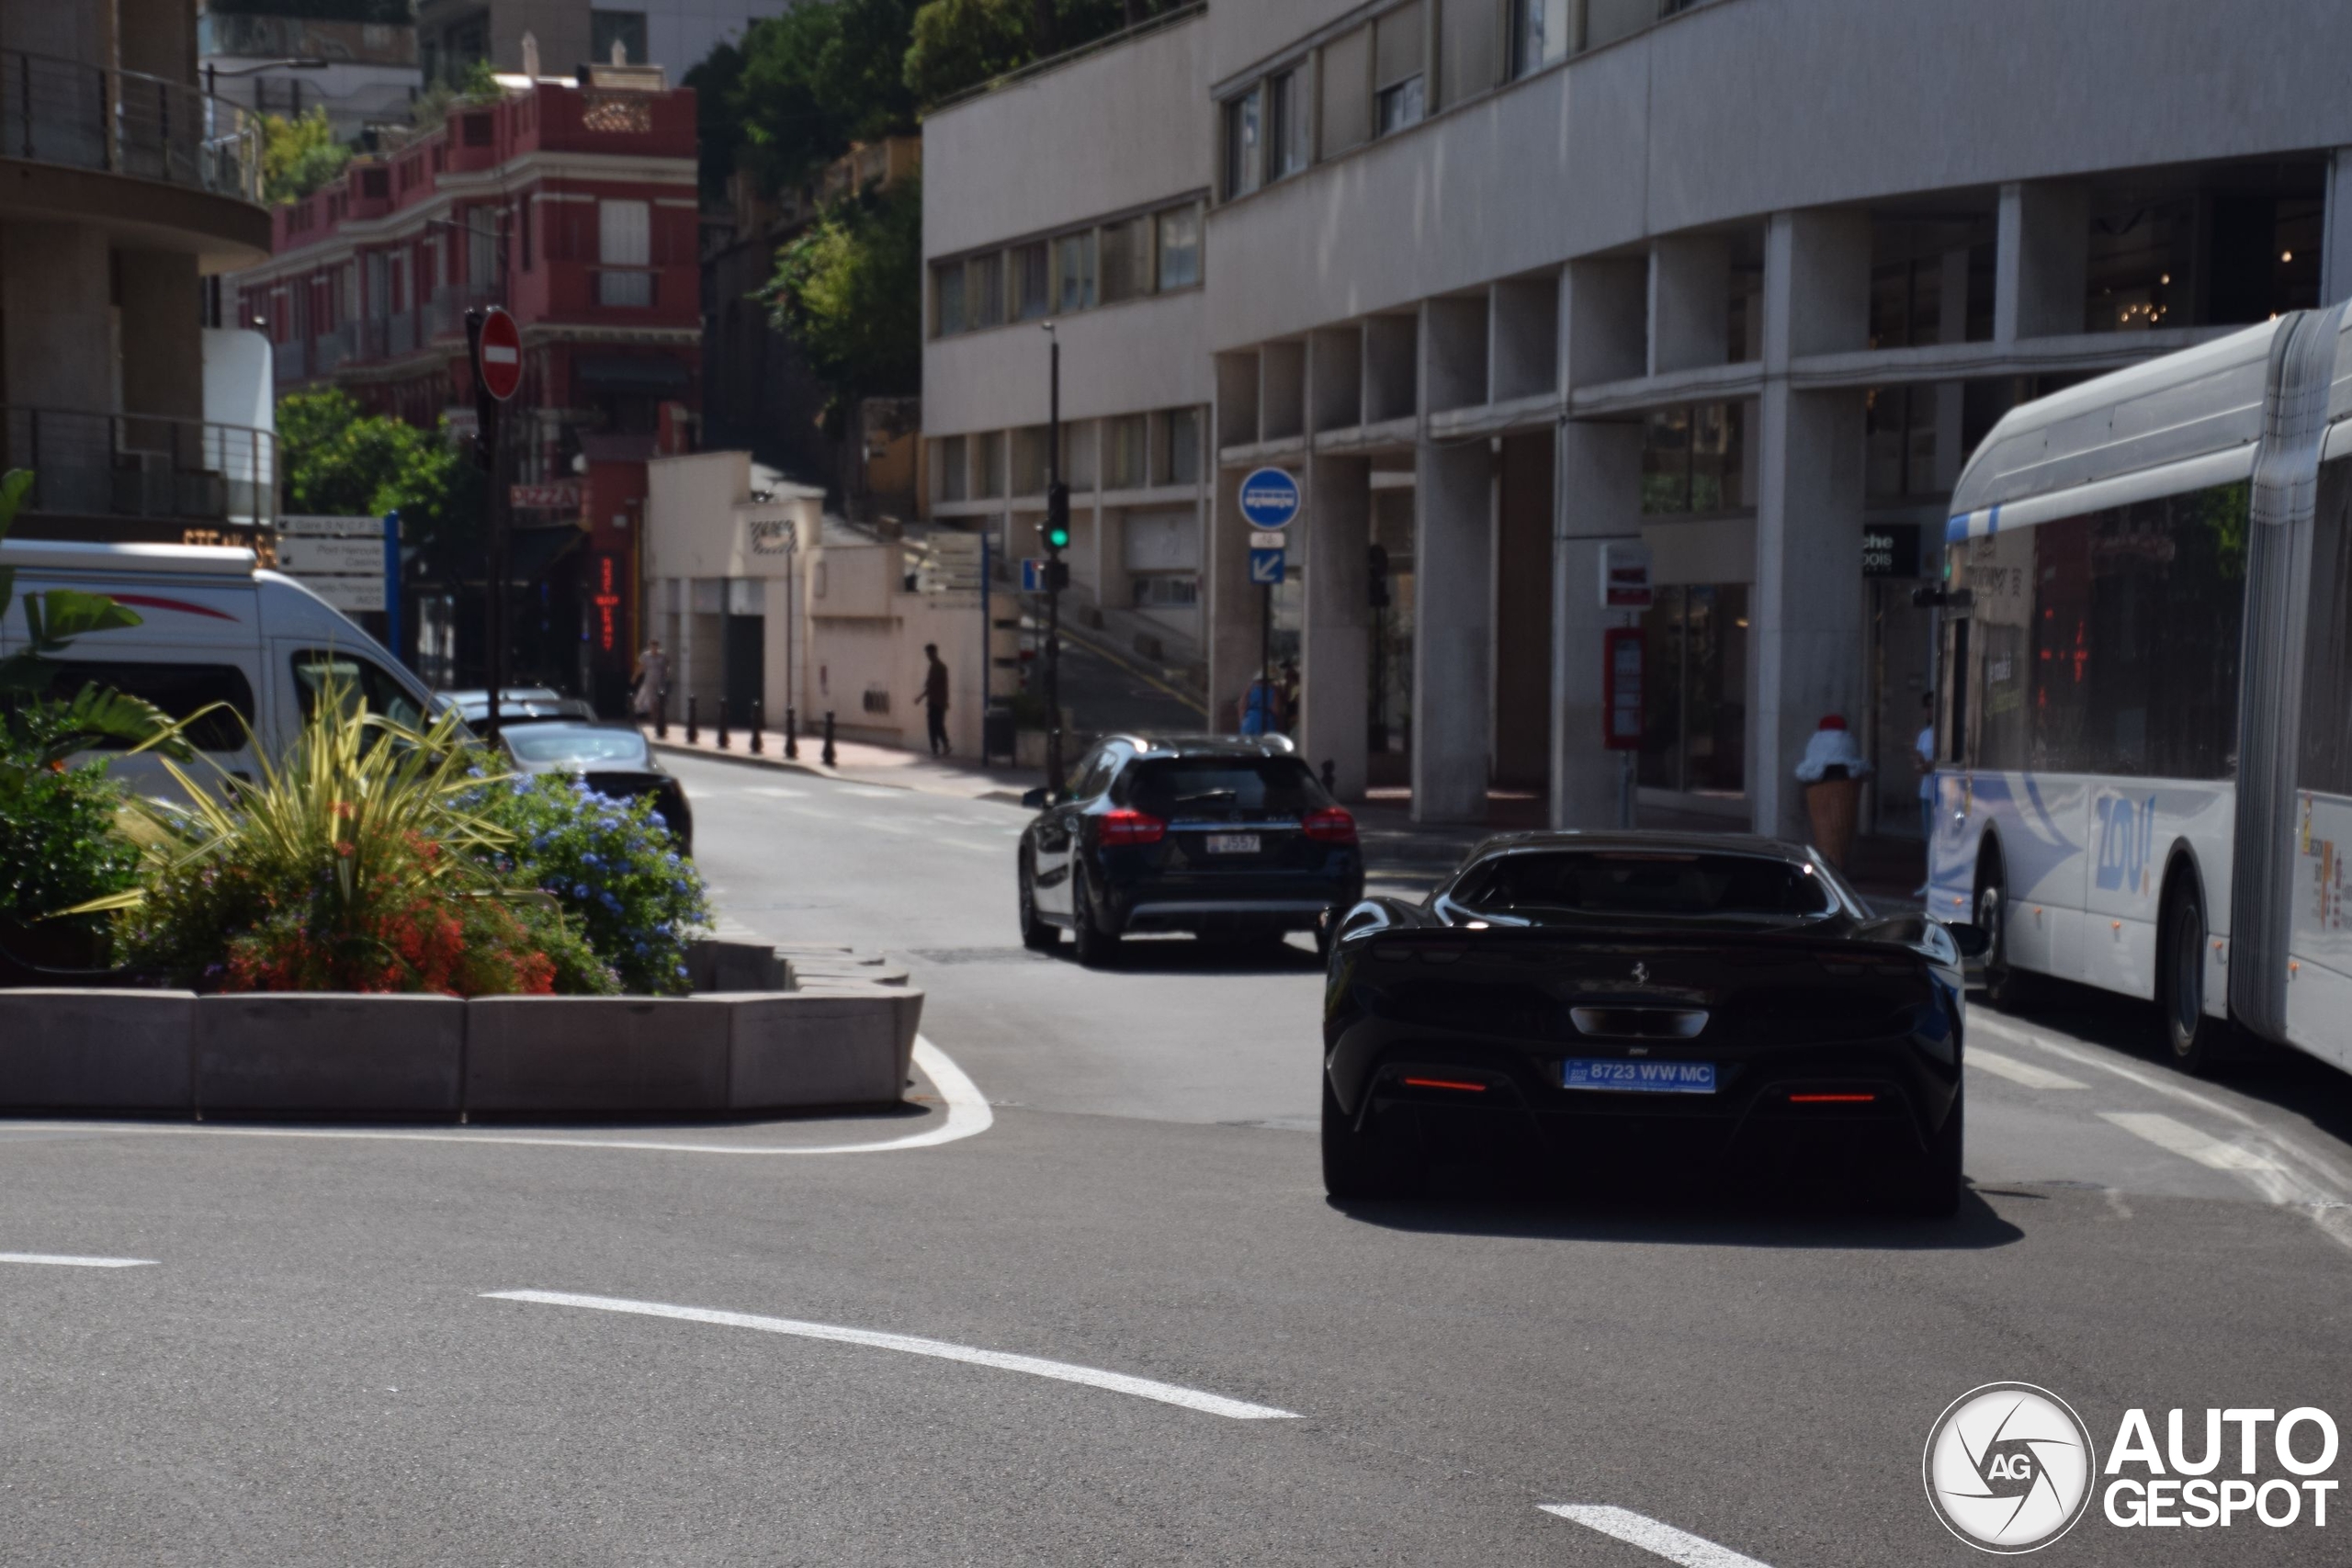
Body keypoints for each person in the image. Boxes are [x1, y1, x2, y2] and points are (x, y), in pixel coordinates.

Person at [1912, 692, 1938, 897]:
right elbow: (1919, 761)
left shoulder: (1942, 734)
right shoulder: (1924, 734)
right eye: (1927, 706)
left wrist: (1929, 765)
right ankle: (1929, 879)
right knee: (1929, 838)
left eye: (1933, 705)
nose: (1930, 710)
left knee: (1937, 838)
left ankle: (1935, 879)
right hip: (1926, 791)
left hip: (1940, 791)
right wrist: (1923, 765)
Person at [915, 642, 951, 756]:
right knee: (938, 725)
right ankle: (944, 745)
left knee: (933, 725)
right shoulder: (939, 667)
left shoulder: (937, 667)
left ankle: (937, 748)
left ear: (933, 653)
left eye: (928, 653)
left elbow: (932, 685)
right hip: (939, 700)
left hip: (935, 701)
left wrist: (920, 697)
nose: (927, 656)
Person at [631, 639, 668, 724]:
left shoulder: (662, 656)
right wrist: (635, 676)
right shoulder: (645, 656)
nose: (654, 649)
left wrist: (667, 674)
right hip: (649, 680)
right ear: (650, 647)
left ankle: (658, 716)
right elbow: (641, 667)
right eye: (652, 647)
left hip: (660, 680)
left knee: (659, 698)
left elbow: (666, 666)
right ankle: (653, 718)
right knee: (651, 699)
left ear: (657, 647)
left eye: (655, 647)